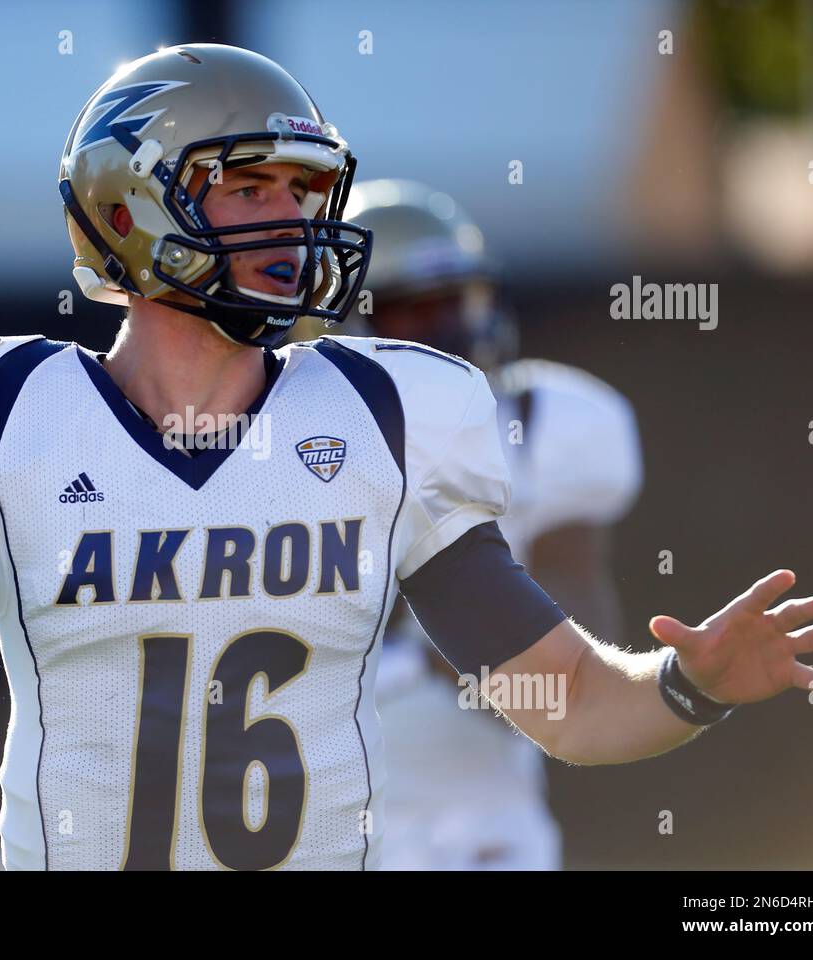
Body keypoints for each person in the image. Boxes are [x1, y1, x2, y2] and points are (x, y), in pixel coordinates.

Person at [0, 43, 813, 871]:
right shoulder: (0, 413)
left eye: (307, 186)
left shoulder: (384, 419)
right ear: (132, 200)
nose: (296, 219)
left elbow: (573, 706)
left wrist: (690, 685)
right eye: (250, 185)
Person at [301, 179, 643, 869]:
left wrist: (440, 655)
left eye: (458, 303)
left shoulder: (546, 428)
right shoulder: (285, 441)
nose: (453, 333)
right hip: (311, 831)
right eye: (418, 312)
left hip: (481, 836)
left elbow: (571, 669)